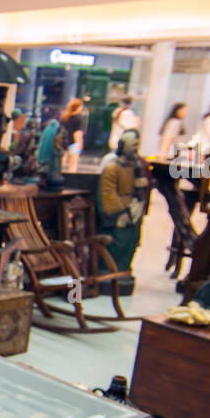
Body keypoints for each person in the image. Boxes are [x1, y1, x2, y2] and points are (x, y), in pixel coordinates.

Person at [96, 129, 148, 289]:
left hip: (133, 208)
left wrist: (136, 205)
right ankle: (108, 270)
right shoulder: (112, 167)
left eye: (137, 145)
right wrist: (121, 212)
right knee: (118, 241)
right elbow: (107, 193)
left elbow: (142, 187)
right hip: (117, 212)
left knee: (132, 241)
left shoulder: (136, 166)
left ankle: (123, 270)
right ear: (123, 145)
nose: (135, 148)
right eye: (132, 145)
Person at [36, 108, 67, 190]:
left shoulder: (51, 127)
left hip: (48, 154)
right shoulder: (55, 128)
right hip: (50, 155)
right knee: (50, 171)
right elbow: (56, 142)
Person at [61, 98, 86, 172]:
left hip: (64, 142)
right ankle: (71, 179)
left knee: (61, 162)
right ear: (78, 107)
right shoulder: (78, 118)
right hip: (74, 144)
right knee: (73, 164)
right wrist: (79, 144)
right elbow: (77, 133)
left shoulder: (65, 117)